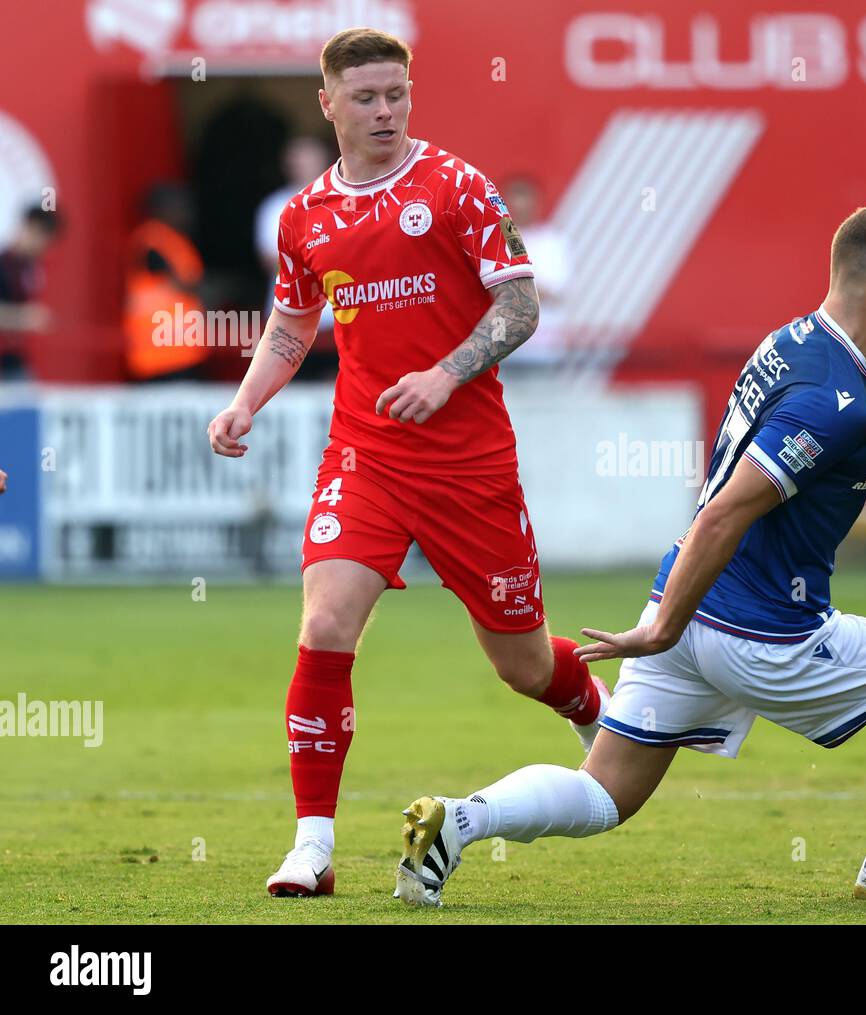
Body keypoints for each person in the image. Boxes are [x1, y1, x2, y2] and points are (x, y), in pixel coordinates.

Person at [395, 205, 866, 908]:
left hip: (692, 601)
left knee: (605, 791)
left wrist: (671, 620)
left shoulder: (791, 340)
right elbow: (725, 512)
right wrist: (660, 630)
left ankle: (458, 820)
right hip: (762, 631)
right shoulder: (834, 403)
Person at [204, 27, 608, 898]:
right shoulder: (305, 215)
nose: (384, 111)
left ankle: (596, 712)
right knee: (324, 625)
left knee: (524, 666)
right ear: (328, 104)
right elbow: (290, 324)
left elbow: (521, 307)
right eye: (365, 98)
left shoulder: (457, 187)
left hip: (470, 467)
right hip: (368, 454)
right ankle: (312, 846)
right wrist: (245, 401)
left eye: (396, 94)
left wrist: (446, 370)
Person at [254, 136, 338, 380]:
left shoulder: (342, 201)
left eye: (307, 158)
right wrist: (322, 254)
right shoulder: (273, 206)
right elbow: (270, 260)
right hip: (289, 315)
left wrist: (300, 254)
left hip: (337, 315)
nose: (301, 164)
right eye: (295, 159)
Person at [123, 184, 210, 382]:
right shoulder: (152, 241)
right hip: (159, 351)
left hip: (180, 349)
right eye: (180, 207)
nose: (187, 213)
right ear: (162, 209)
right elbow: (185, 284)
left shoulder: (174, 240)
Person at [496, 175, 568, 367]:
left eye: (524, 198)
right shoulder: (494, 238)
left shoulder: (551, 241)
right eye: (514, 198)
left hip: (542, 348)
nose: (519, 205)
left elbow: (552, 292)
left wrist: (506, 286)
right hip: (498, 348)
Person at [0, 205, 61, 381]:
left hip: (12, 359)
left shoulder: (29, 269)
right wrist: (24, 317)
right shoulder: (4, 264)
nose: (43, 246)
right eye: (42, 237)